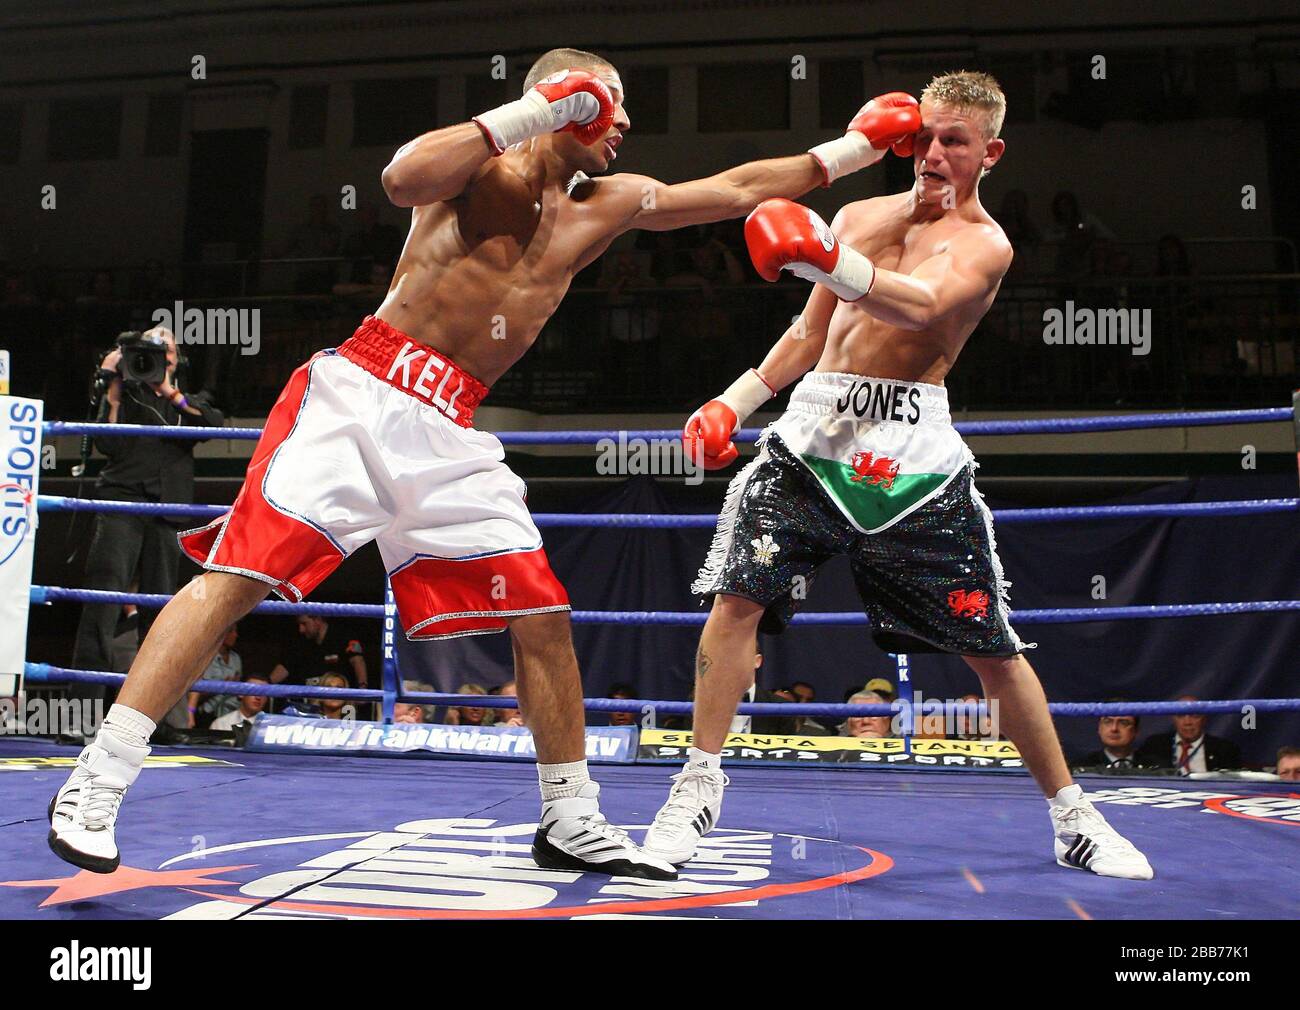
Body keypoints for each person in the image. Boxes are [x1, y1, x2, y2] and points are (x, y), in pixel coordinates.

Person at [49, 46, 917, 880]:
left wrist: (854, 147)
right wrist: (534, 110)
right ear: (570, 102)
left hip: (454, 425)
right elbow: (399, 177)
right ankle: (102, 772)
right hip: (362, 392)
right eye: (611, 106)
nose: (624, 129)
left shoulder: (606, 201)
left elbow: (733, 190)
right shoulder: (478, 168)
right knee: (238, 575)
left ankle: (568, 814)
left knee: (541, 614)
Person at [644, 71, 1153, 881]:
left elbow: (918, 306)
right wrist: (732, 400)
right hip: (812, 437)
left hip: (912, 458)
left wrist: (824, 254)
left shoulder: (985, 243)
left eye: (956, 140)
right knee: (737, 596)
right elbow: (810, 332)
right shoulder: (856, 216)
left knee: (990, 646)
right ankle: (697, 788)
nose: (935, 154)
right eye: (925, 136)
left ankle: (1073, 816)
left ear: (991, 151)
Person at [69, 326, 224, 733]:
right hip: (120, 502)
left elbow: (212, 423)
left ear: (177, 360)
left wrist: (169, 391)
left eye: (166, 351)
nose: (158, 358)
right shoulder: (127, 390)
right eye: (150, 350)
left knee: (162, 614)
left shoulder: (187, 400)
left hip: (166, 509)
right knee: (101, 604)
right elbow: (108, 445)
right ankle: (81, 717)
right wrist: (112, 389)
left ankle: (158, 721)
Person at [1135, 697, 1241, 774]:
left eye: (1194, 715)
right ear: (1173, 718)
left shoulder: (1225, 749)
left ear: (1204, 718)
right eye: (1181, 715)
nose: (1187, 722)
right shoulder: (1154, 745)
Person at [270, 615, 368, 689]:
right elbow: (285, 666)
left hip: (338, 699)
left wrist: (362, 688)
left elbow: (357, 661)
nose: (301, 630)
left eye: (304, 624)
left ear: (317, 620)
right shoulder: (300, 643)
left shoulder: (343, 637)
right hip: (310, 701)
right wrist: (264, 686)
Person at [187, 623, 242, 727]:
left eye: (236, 631)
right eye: (231, 631)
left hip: (232, 713)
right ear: (221, 633)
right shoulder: (206, 658)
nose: (235, 635)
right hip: (207, 714)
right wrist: (223, 686)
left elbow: (239, 690)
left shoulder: (236, 659)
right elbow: (195, 694)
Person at [1073, 704, 1142, 771]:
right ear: (1099, 728)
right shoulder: (1080, 767)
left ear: (1136, 730)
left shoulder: (1150, 765)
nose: (1114, 728)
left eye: (1123, 723)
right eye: (1108, 722)